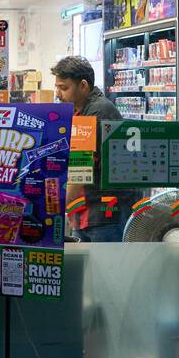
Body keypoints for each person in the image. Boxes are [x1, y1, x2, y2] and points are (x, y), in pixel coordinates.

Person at [51, 55, 130, 243]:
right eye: (57, 87)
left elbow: (80, 170)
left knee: (106, 270)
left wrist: (54, 210)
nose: (57, 94)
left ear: (84, 86)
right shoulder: (80, 109)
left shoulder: (97, 111)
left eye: (64, 88)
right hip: (86, 213)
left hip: (103, 217)